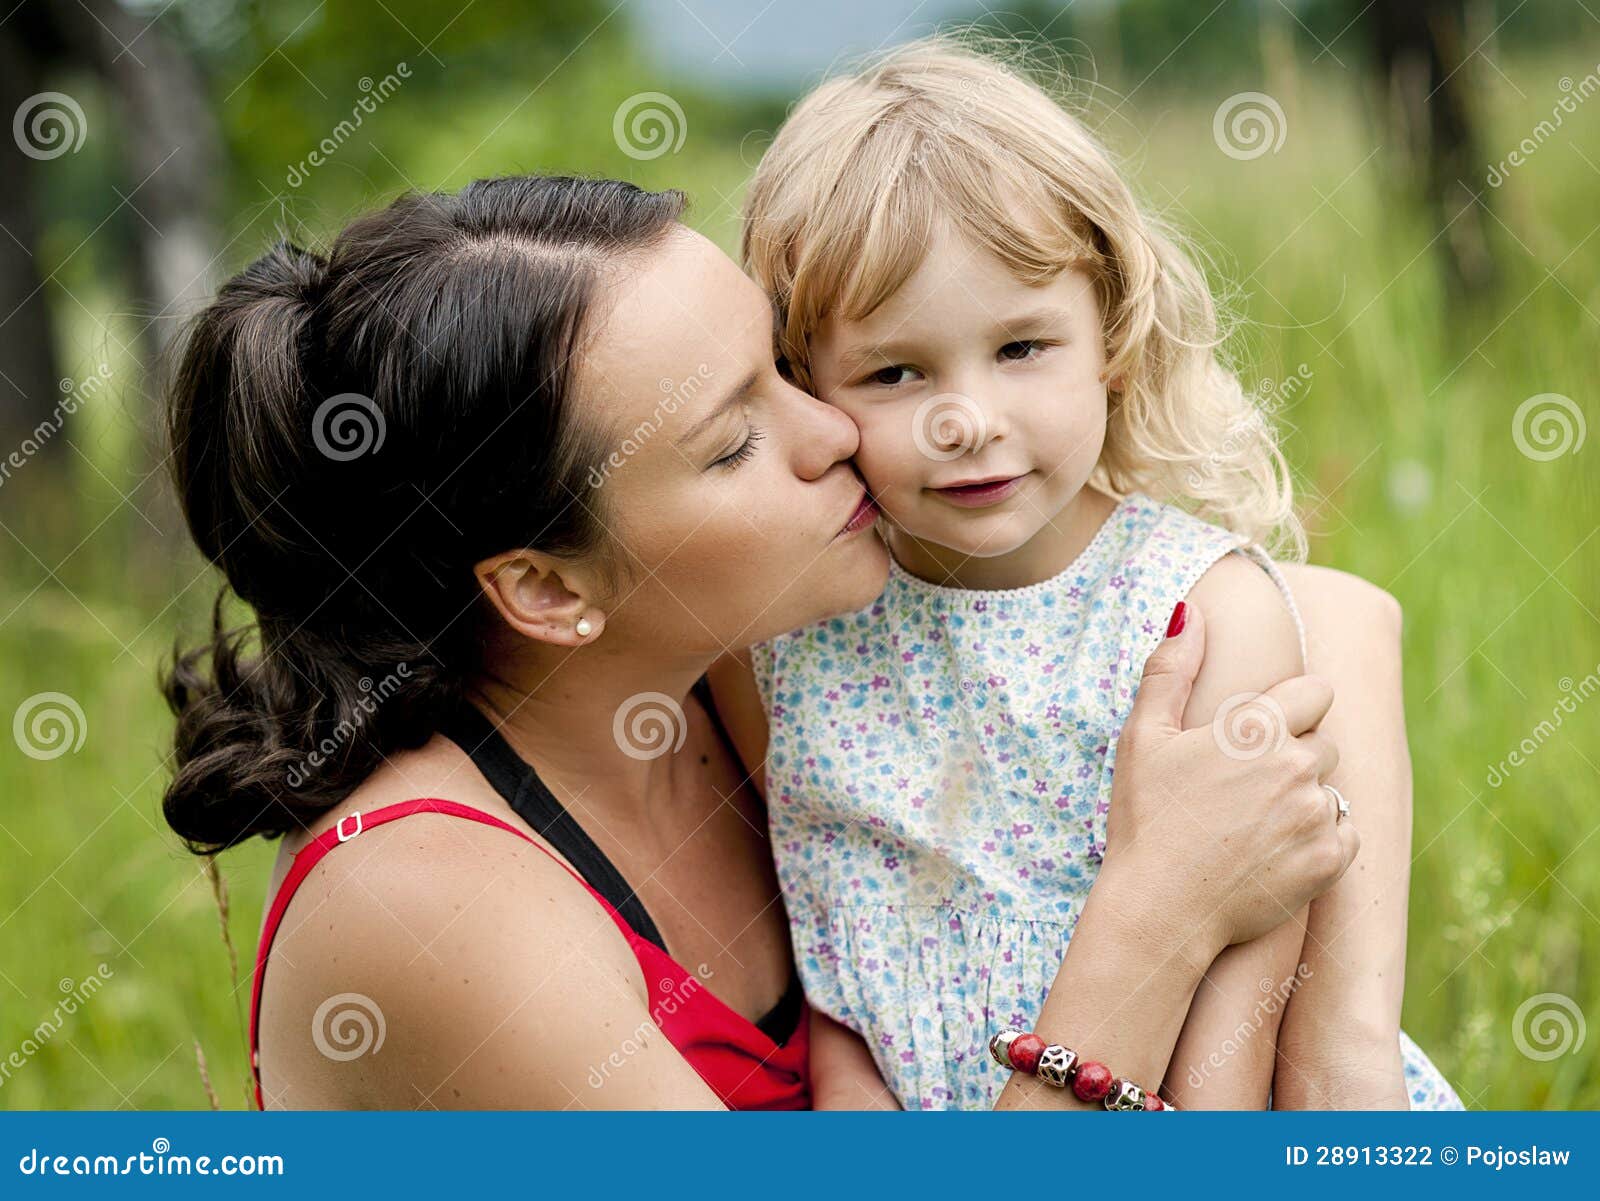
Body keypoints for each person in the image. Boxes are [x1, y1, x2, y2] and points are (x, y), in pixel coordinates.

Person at [163, 174, 1361, 1110]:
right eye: (732, 442)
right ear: (541, 584)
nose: (840, 428)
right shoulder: (422, 901)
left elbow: (1337, 616)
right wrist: (1157, 914)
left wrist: (1340, 1038)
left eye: (784, 367)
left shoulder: (732, 672)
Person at [724, 38, 1461, 1109]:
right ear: (807, 385)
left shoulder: (1200, 614)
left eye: (1021, 348)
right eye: (894, 371)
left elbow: (1243, 1022)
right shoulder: (791, 633)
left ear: (1110, 334)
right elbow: (828, 958)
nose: (968, 420)